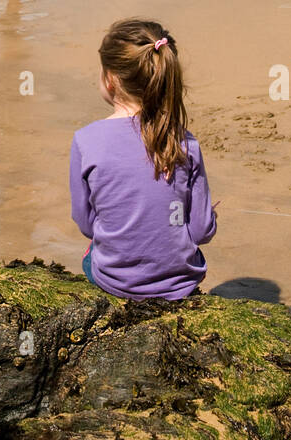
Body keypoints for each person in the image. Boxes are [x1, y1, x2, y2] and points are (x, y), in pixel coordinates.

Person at [69, 18, 218, 300]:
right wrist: (211, 217)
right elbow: (201, 231)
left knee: (91, 253)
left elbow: (85, 222)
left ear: (110, 79)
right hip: (180, 285)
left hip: (115, 281)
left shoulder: (86, 140)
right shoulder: (186, 143)